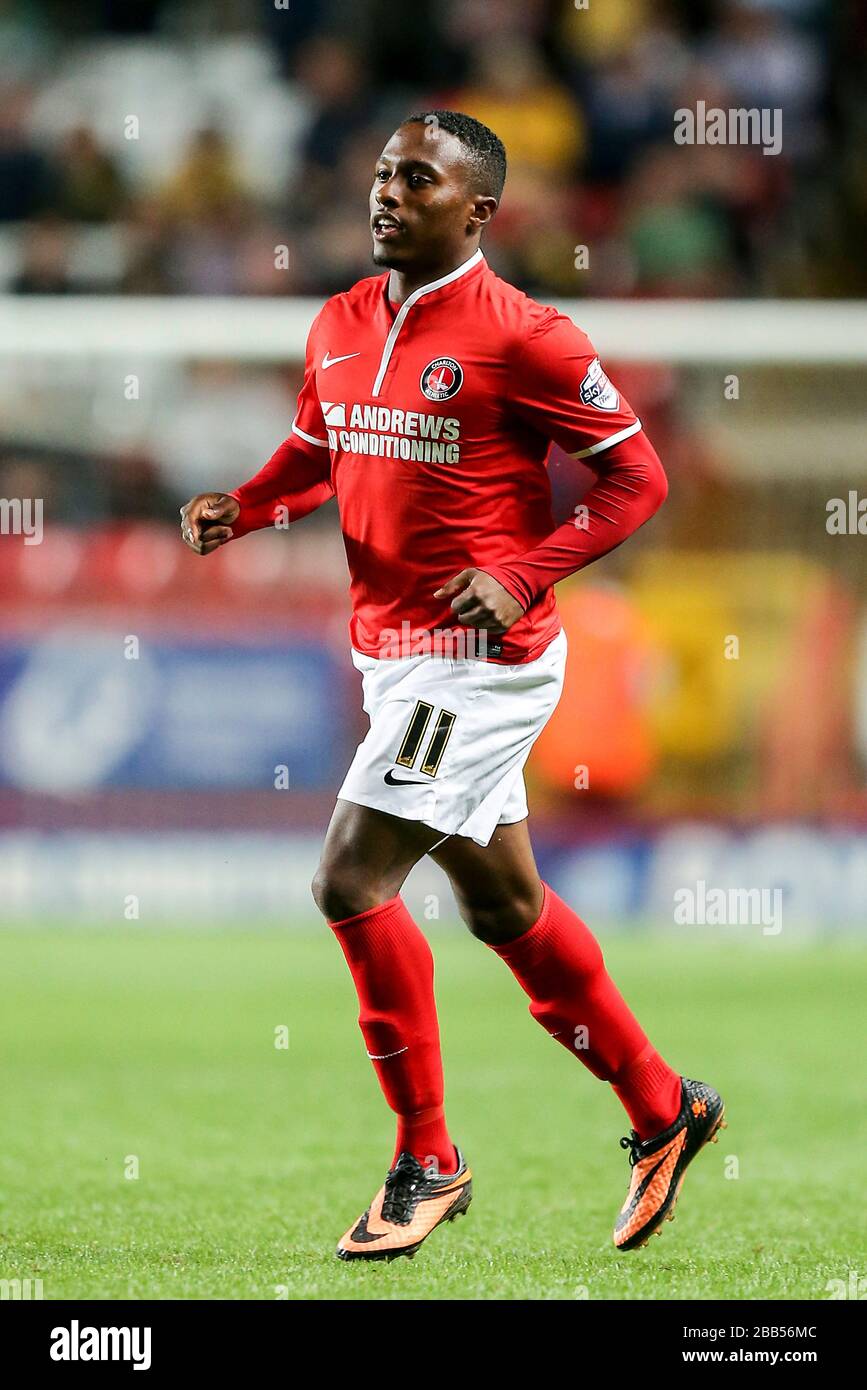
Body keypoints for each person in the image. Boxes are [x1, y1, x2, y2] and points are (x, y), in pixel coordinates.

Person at [180, 110, 725, 1262]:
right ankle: (663, 1106)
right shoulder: (338, 321)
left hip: (482, 667)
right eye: (382, 173)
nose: (387, 193)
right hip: (394, 659)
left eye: (416, 179)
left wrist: (523, 570)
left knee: (348, 877)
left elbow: (637, 479)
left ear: (477, 210)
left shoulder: (526, 335)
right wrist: (248, 503)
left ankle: (426, 1157)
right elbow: (321, 455)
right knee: (505, 909)